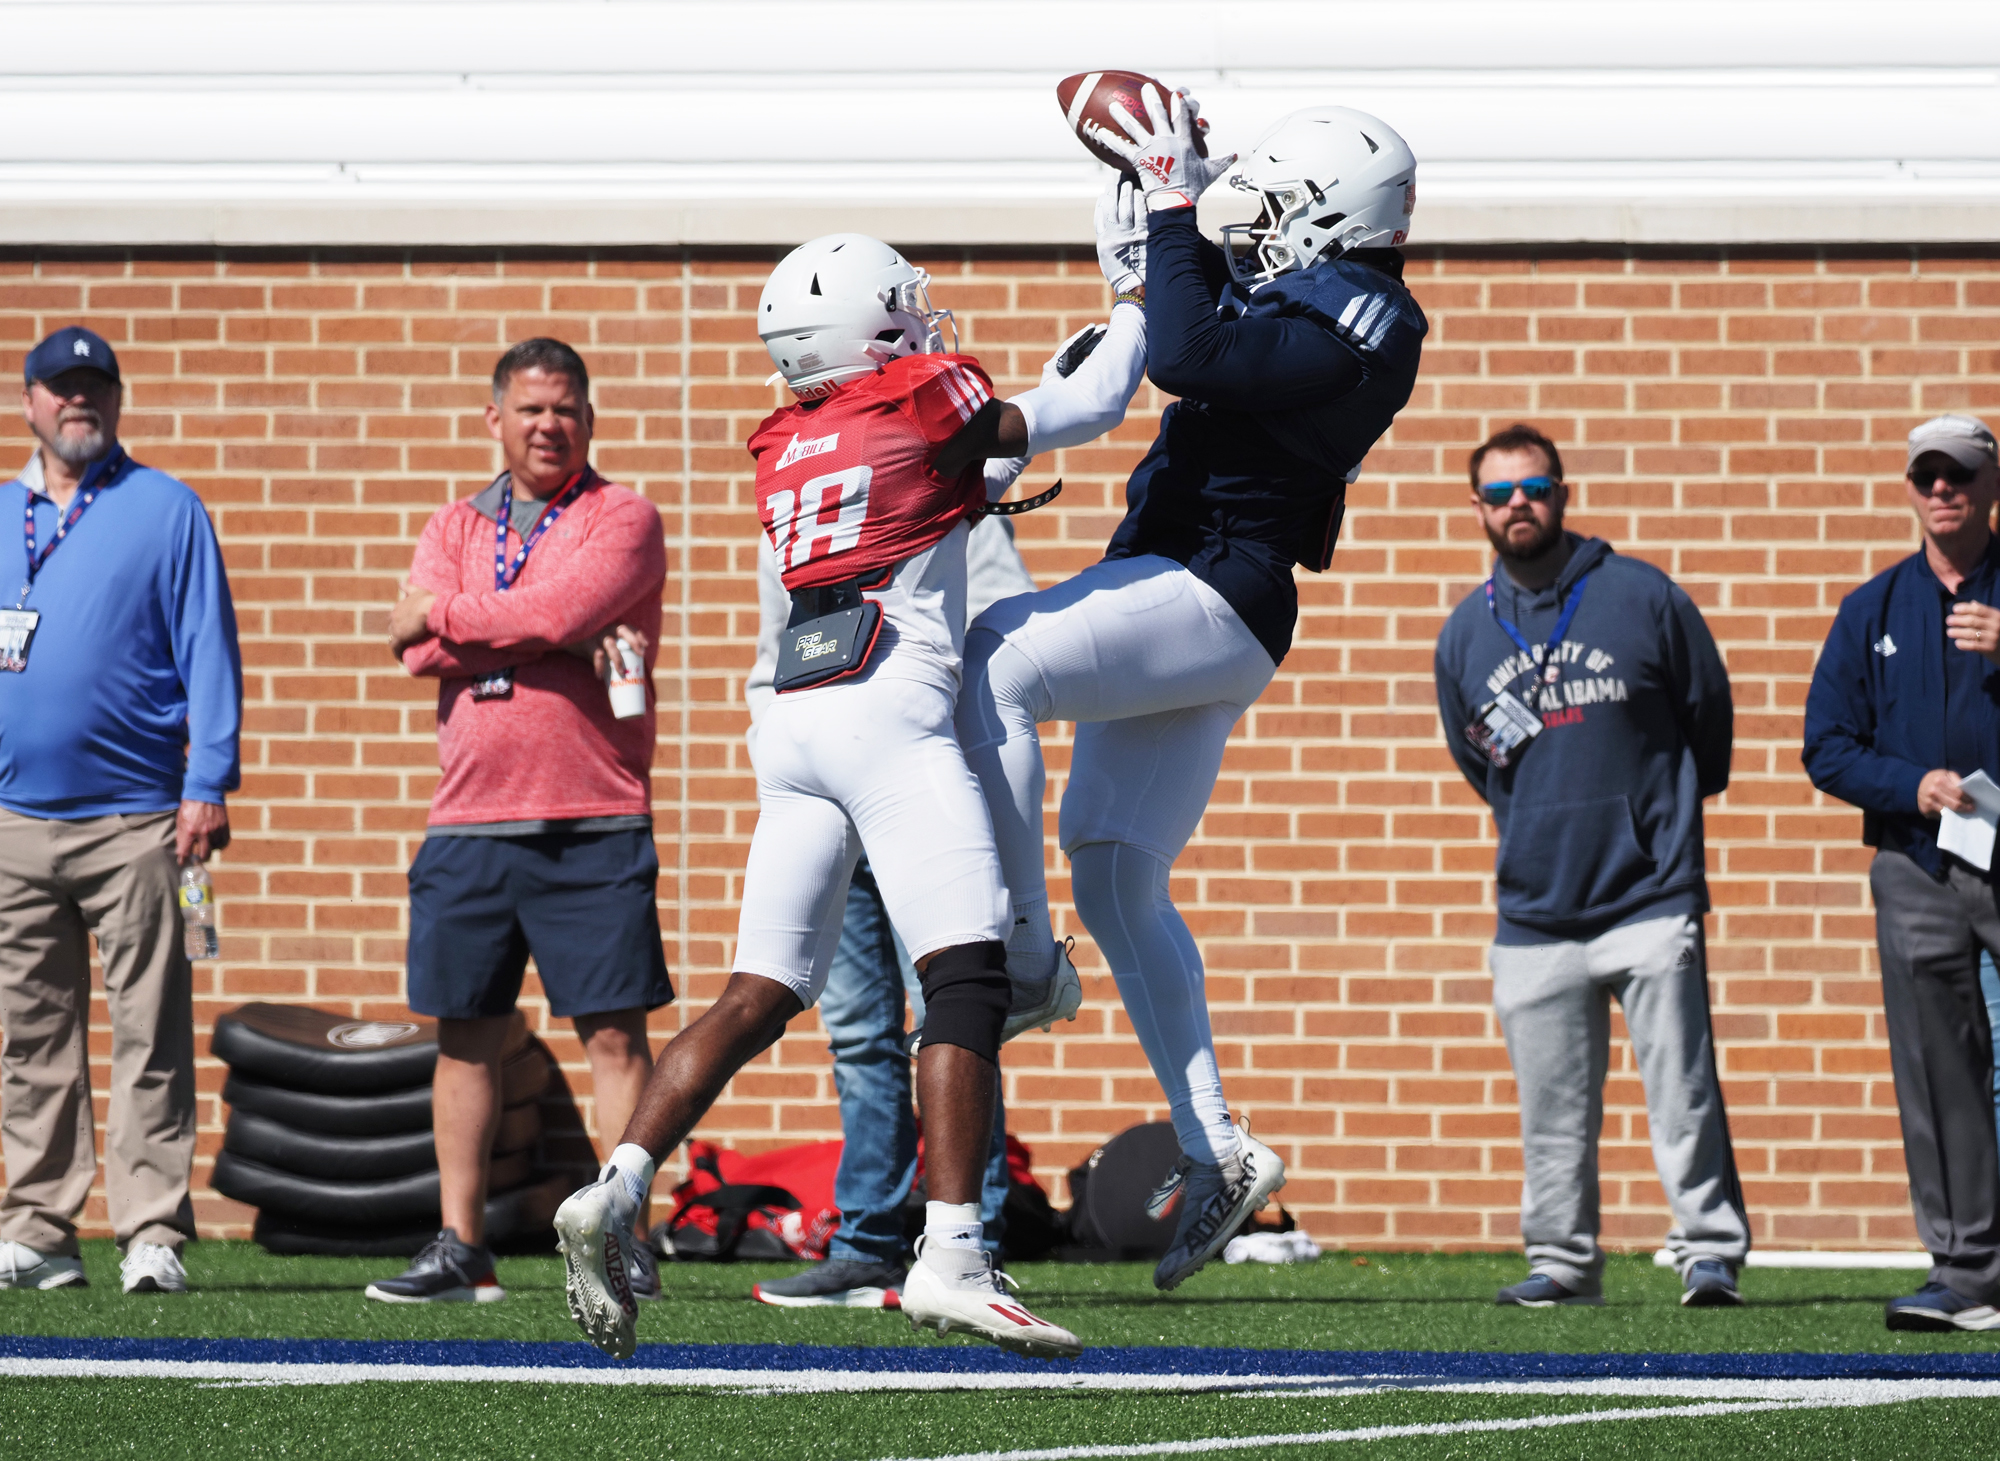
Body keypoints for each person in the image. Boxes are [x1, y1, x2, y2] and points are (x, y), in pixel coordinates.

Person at [554, 222, 1145, 1361]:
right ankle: (953, 1254)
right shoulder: (929, 391)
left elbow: (935, 485)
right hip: (887, 709)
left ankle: (619, 1182)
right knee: (966, 977)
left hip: (793, 720)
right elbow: (1094, 405)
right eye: (907, 307)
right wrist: (1135, 299)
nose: (927, 321)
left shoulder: (781, 437)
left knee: (757, 993)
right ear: (873, 325)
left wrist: (989, 468)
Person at [955, 88, 1426, 1290]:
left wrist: (1172, 207)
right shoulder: (1311, 291)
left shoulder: (1371, 308)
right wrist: (1161, 210)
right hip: (1187, 584)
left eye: (1278, 207)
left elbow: (1187, 351)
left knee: (994, 657)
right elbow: (1180, 318)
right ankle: (1217, 1144)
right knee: (1113, 874)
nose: (1252, 225)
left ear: (1330, 215)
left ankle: (1015, 953)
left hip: (1218, 584)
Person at [367, 338, 671, 1304]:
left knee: (616, 1038)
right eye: (531, 409)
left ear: (590, 417)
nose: (550, 424)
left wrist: (449, 615)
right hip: (468, 821)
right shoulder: (454, 521)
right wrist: (528, 621)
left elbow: (563, 606)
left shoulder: (622, 516)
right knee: (465, 1036)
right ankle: (462, 1247)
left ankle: (625, 1238)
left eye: (567, 408)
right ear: (493, 418)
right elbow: (405, 648)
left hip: (594, 817)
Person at [1433, 423, 1747, 1309]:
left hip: (1649, 895)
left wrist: (1658, 821)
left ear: (1562, 492)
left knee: (1683, 1093)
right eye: (1498, 494)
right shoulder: (1466, 633)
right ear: (1478, 511)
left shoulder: (1642, 597)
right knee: (1551, 1109)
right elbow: (1478, 763)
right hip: (1535, 908)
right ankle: (1563, 1260)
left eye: (1532, 487)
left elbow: (1707, 722)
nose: (1517, 505)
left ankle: (1708, 1250)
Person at [746, 480, 1038, 1308]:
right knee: (857, 1035)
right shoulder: (794, 517)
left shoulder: (944, 501)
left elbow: (1007, 629)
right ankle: (868, 1238)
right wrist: (774, 747)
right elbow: (775, 657)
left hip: (927, 793)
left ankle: (964, 1237)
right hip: (829, 803)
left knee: (950, 1014)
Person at [0, 326, 242, 1295]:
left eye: (95, 388)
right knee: (31, 1035)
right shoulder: (2, 512)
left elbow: (209, 650)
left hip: (141, 819)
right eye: (61, 389)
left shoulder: (165, 509)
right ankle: (40, 1229)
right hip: (14, 823)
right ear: (29, 402)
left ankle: (150, 1233)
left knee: (150, 1031)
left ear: (116, 401)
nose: (78, 404)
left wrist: (206, 781)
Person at [1803, 412, 2000, 1332]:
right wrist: (1911, 784)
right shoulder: (1871, 609)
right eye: (1927, 474)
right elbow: (1826, 748)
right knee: (1936, 1069)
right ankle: (1965, 1270)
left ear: (1989, 486)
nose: (1942, 489)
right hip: (1918, 864)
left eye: (1957, 473)